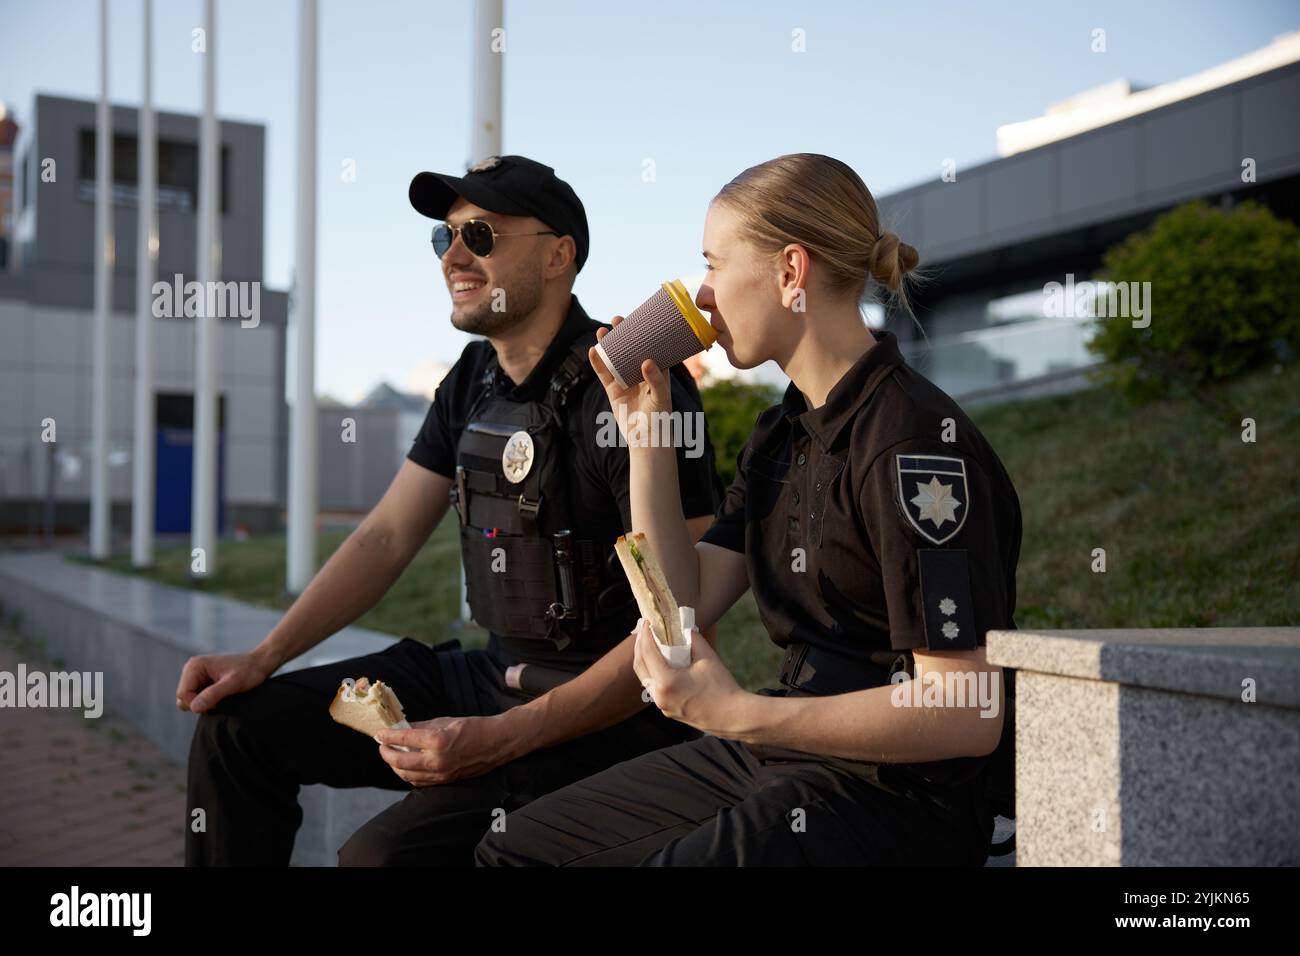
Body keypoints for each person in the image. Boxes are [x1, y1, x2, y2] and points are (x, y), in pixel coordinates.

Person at [475, 153, 1023, 866]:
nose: (700, 297)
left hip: (901, 793)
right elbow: (682, 601)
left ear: (791, 273)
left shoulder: (909, 444)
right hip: (786, 747)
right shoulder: (782, 433)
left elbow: (967, 714)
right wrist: (648, 440)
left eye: (713, 264)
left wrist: (740, 715)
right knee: (515, 850)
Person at [178, 154, 724, 866]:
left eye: (482, 236)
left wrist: (502, 738)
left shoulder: (635, 386)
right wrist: (262, 656)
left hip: (611, 716)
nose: (454, 257)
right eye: (446, 238)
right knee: (238, 727)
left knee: (379, 858)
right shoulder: (472, 378)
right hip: (488, 675)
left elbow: (681, 619)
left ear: (560, 255)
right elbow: (385, 536)